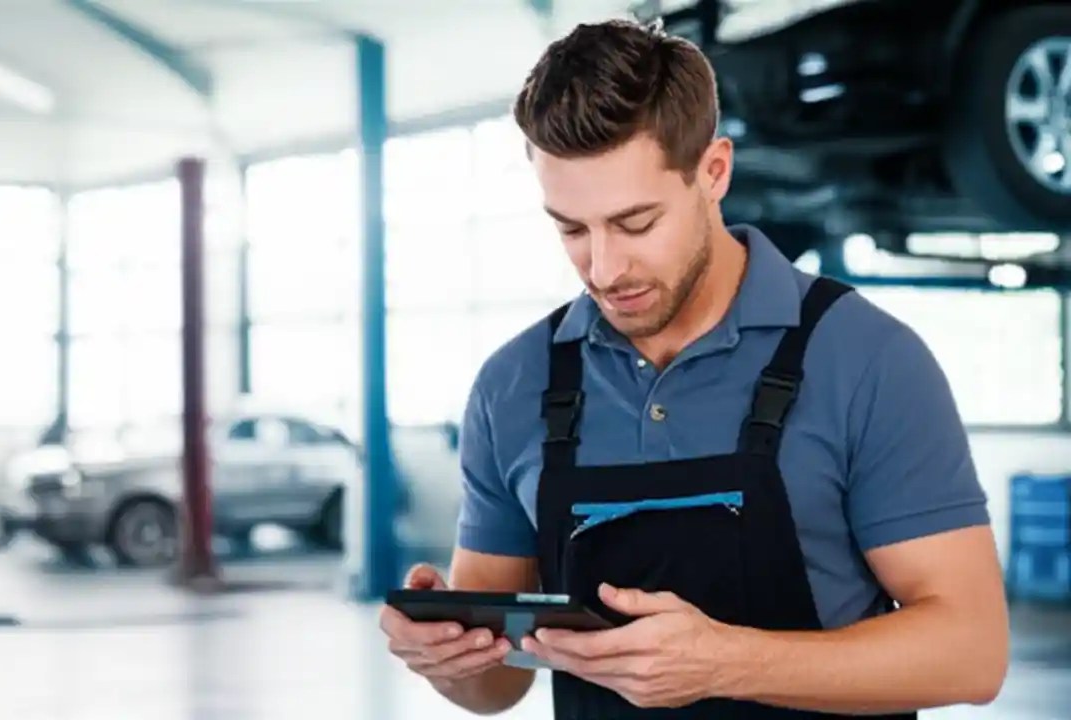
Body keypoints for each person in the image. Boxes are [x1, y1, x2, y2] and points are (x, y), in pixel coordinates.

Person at [378, 17, 1010, 719]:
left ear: (714, 172)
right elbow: (499, 683)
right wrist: (449, 661)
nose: (604, 268)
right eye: (571, 228)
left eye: (636, 223)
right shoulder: (514, 384)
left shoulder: (865, 358)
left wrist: (725, 663)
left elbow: (971, 652)